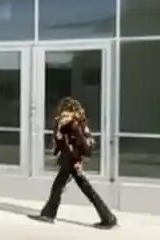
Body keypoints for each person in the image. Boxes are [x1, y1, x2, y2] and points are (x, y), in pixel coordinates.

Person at [33, 97, 117, 229]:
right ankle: (107, 217)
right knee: (72, 187)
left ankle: (108, 218)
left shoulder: (70, 124)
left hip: (71, 160)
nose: (60, 113)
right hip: (71, 159)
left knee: (67, 187)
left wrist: (76, 160)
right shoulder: (75, 122)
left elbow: (76, 143)